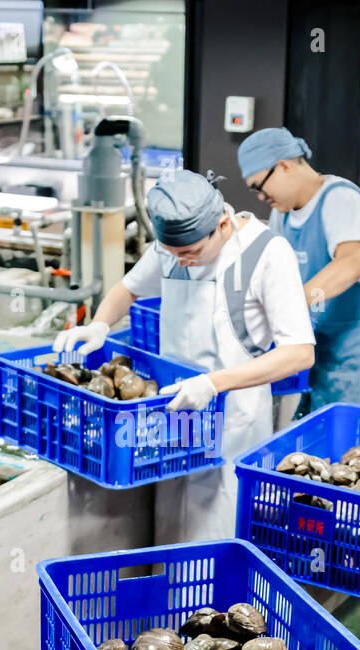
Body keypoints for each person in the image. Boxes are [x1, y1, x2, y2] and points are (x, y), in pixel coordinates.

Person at [52, 169, 315, 543]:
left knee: (217, 537)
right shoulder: (171, 249)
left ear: (223, 223)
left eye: (191, 252)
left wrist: (213, 383)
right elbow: (127, 289)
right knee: (172, 536)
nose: (181, 261)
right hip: (174, 421)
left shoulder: (266, 255)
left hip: (233, 428)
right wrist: (99, 325)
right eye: (173, 253)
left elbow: (299, 354)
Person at [237, 127, 360, 417]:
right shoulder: (283, 213)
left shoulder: (339, 198)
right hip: (323, 353)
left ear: (283, 166)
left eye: (259, 187)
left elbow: (349, 264)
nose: (260, 198)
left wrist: (290, 304)